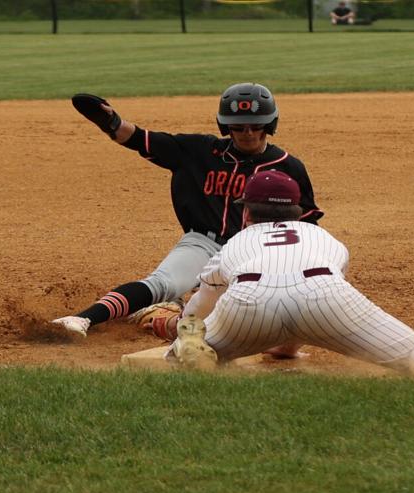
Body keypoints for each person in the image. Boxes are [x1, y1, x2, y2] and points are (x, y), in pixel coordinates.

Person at [145, 170, 414, 384]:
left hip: (248, 303)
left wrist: (187, 323)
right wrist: (287, 344)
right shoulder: (322, 237)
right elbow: (301, 302)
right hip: (325, 293)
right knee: (413, 350)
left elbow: (203, 303)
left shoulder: (237, 242)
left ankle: (188, 351)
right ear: (299, 212)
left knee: (189, 353)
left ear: (247, 215)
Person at [50, 84, 321, 339]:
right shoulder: (199, 151)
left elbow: (308, 223)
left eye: (256, 126)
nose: (247, 132)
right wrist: (112, 123)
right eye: (238, 126)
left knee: (248, 314)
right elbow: (140, 139)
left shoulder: (288, 166)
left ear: (270, 125)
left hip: (255, 251)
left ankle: (166, 310)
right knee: (161, 284)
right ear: (226, 126)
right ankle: (81, 319)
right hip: (203, 244)